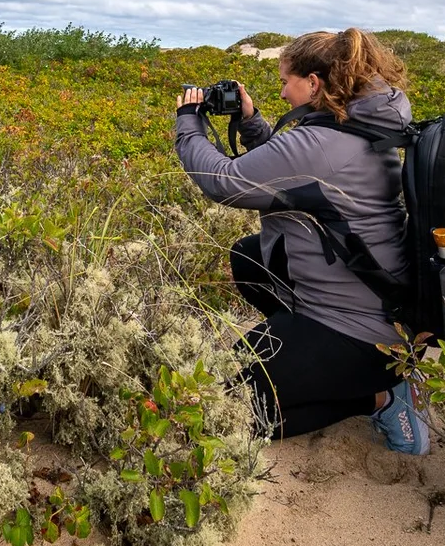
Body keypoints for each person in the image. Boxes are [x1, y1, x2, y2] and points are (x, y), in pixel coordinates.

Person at [174, 28, 429, 454]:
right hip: (379, 306)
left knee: (226, 409)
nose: (281, 91)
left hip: (360, 331)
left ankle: (381, 397)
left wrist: (189, 126)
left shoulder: (324, 141)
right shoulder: (358, 124)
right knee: (249, 257)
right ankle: (311, 355)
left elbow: (225, 183)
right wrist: (252, 123)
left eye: (285, 80)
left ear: (313, 83)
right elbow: (294, 167)